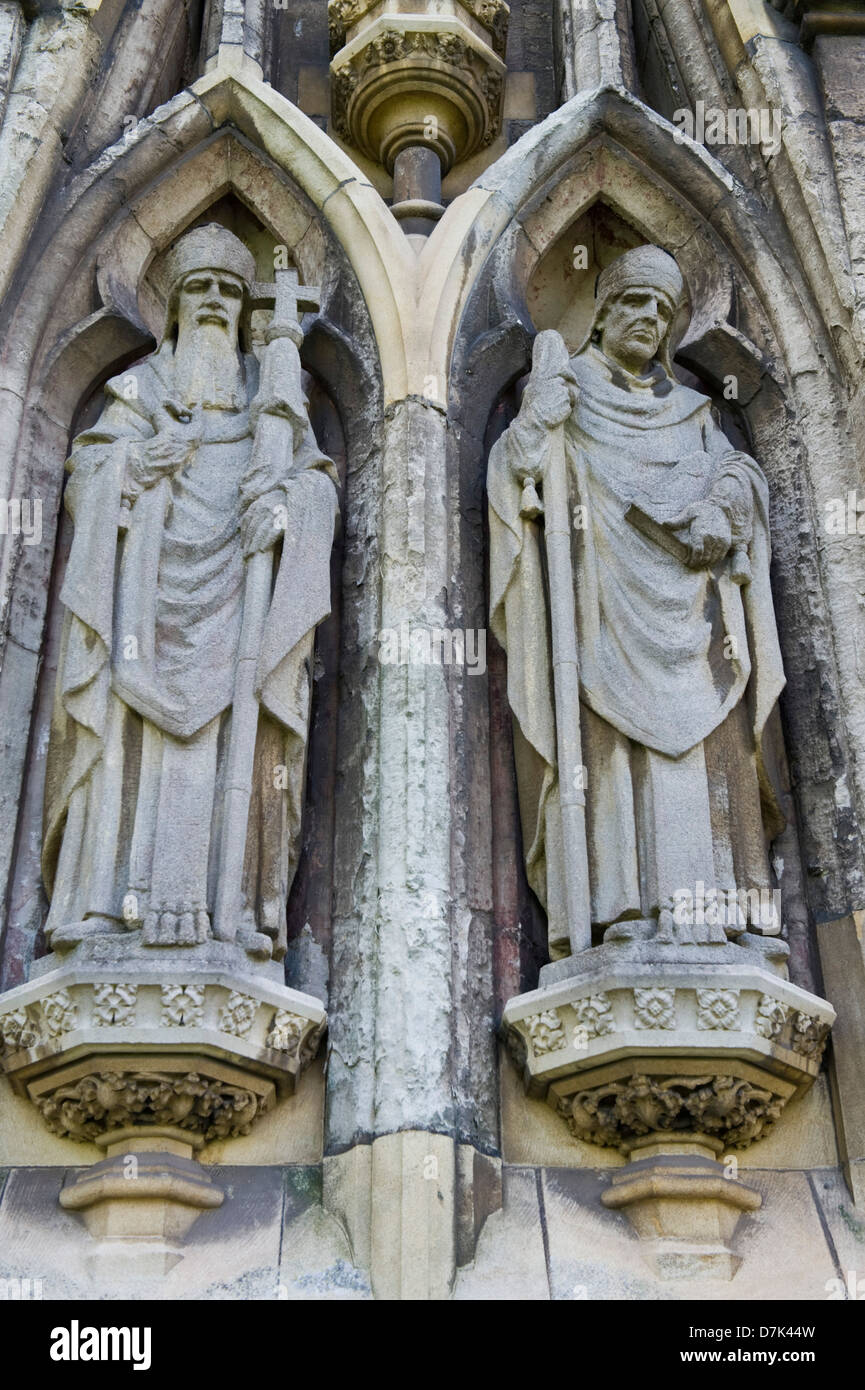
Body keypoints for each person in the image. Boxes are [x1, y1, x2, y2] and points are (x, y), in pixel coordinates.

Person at [43, 224, 338, 960]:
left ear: (245, 309)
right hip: (141, 603)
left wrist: (284, 511)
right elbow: (90, 477)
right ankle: (106, 906)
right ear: (172, 308)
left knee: (234, 740)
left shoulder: (272, 410)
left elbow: (313, 488)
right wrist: (140, 466)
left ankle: (225, 906)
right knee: (123, 738)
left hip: (237, 611)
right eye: (198, 289)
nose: (213, 302)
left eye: (228, 292)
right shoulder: (138, 393)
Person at [488, 244, 786, 959]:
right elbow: (512, 477)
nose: (649, 318)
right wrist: (534, 425)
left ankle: (723, 917)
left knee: (712, 746)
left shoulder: (690, 412)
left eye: (662, 309)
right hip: (598, 612)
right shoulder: (564, 390)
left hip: (694, 622)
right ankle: (614, 909)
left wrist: (723, 506)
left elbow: (738, 474)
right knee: (607, 751)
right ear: (602, 312)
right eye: (634, 302)